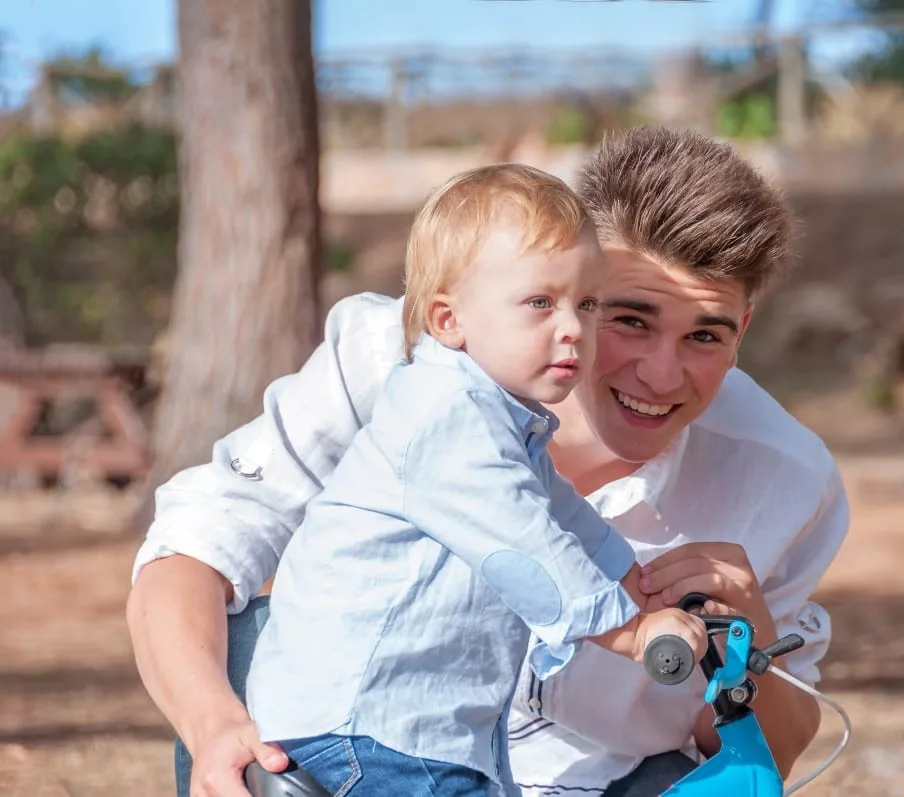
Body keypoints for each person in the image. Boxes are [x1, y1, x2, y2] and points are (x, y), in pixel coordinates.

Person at [127, 125, 851, 797]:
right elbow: (195, 549)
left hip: (588, 778)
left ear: (744, 328)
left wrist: (747, 633)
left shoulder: (785, 478)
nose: (661, 375)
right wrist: (212, 723)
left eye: (705, 336)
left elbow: (764, 756)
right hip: (361, 744)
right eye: (629, 318)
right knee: (256, 627)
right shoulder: (404, 364)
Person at [241, 163, 708, 796]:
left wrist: (637, 583)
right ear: (448, 320)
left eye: (588, 303)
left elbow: (561, 515)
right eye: (540, 303)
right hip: (369, 728)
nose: (573, 327)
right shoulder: (446, 417)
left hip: (413, 730)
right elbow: (526, 547)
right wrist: (630, 631)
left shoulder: (500, 418)